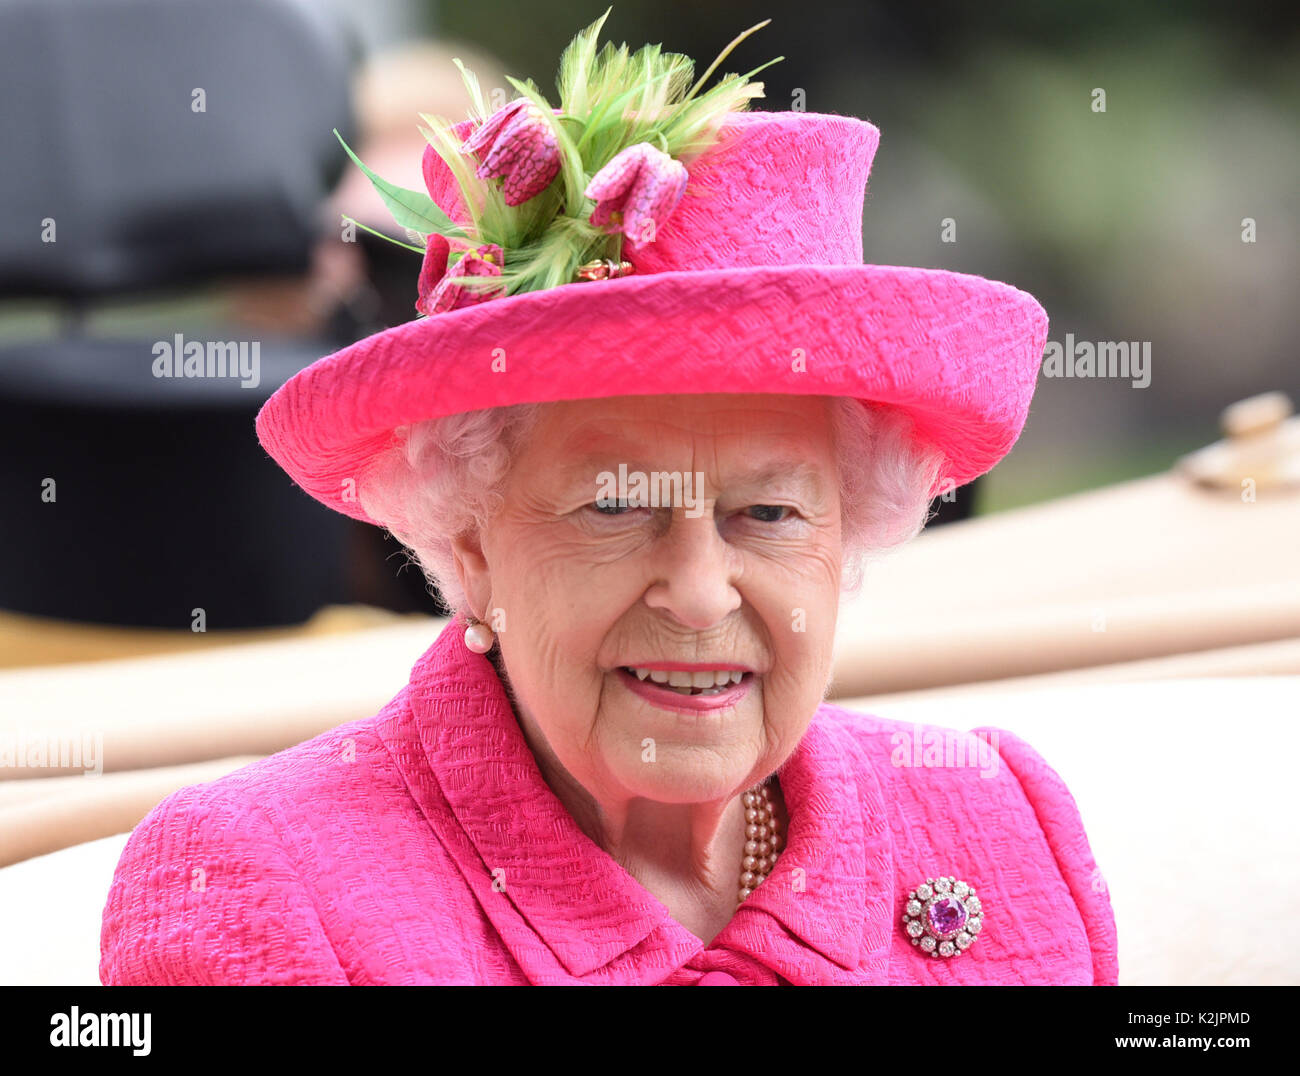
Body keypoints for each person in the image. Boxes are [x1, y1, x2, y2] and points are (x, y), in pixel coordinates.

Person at [100, 13, 1117, 985]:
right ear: (467, 535)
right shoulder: (260, 881)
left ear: (850, 526)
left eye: (767, 513)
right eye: (614, 507)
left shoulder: (997, 817)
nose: (699, 592)